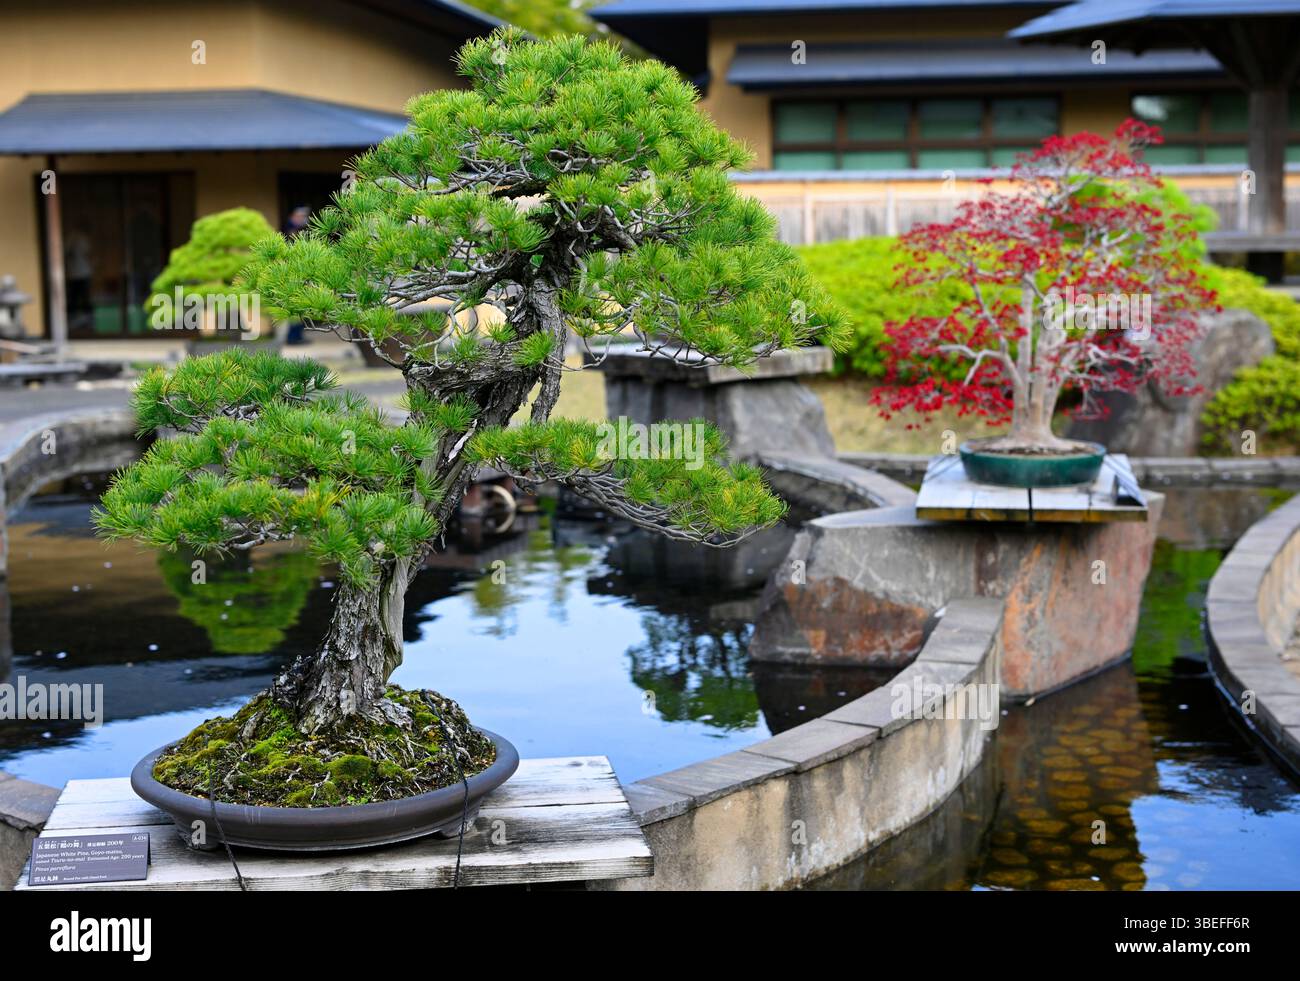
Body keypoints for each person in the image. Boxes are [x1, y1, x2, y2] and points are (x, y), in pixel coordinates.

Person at [281, 206, 312, 345]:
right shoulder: (290, 228)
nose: (303, 219)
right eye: (300, 216)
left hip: (302, 272)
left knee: (302, 308)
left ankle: (297, 336)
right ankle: (293, 337)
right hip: (294, 274)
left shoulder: (301, 228)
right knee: (296, 308)